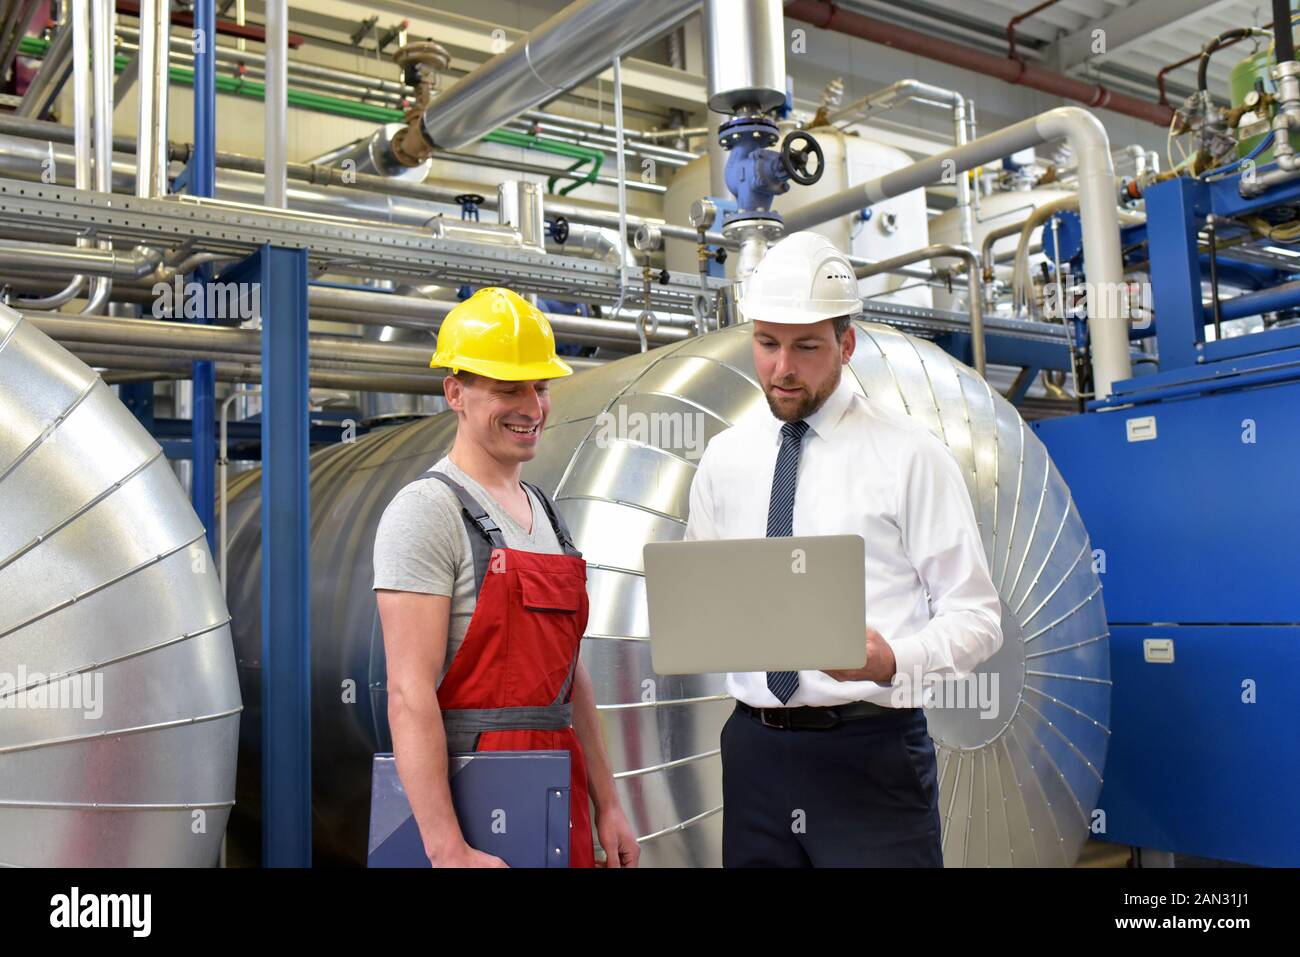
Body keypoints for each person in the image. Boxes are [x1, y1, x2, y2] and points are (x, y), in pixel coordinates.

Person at [684, 232, 1003, 867]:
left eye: (806, 347)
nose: (782, 368)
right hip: (754, 751)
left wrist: (894, 660)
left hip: (870, 753)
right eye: (767, 344)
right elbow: (703, 596)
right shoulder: (726, 459)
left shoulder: (909, 455)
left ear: (845, 345)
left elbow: (978, 618)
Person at [373, 286, 639, 868]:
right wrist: (448, 851)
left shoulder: (545, 510)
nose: (532, 407)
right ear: (455, 394)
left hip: (554, 786)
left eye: (540, 387)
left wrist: (609, 804)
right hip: (472, 798)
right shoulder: (427, 511)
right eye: (507, 389)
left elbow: (573, 682)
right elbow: (408, 695)